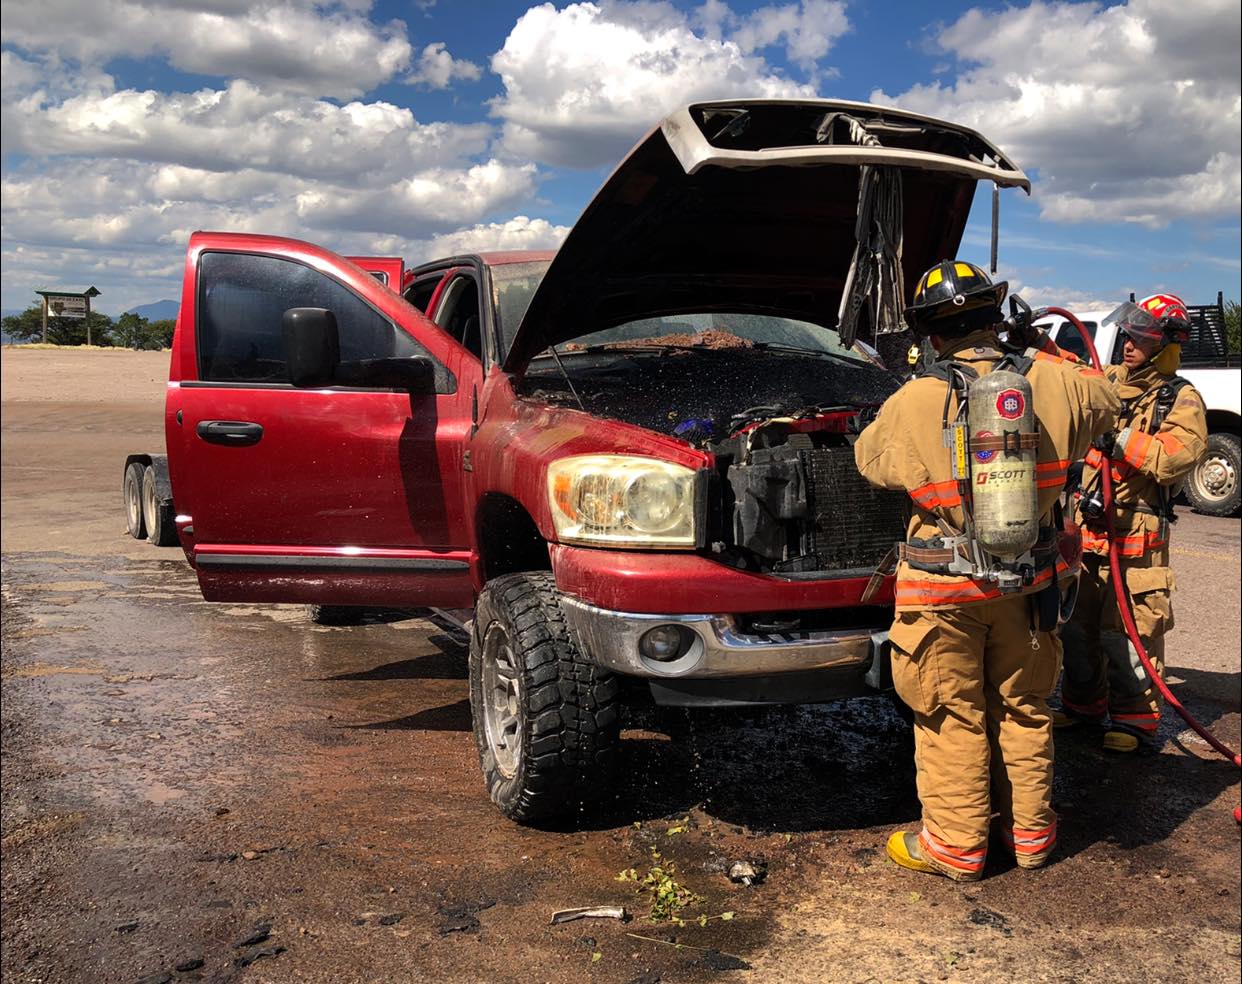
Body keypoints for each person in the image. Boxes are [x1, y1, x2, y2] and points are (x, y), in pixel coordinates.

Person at [854, 260, 1119, 880]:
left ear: (930, 334)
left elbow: (870, 460)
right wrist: (1043, 350)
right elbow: (1110, 401)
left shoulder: (913, 399)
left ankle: (955, 846)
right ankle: (1030, 837)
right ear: (998, 318)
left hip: (942, 593)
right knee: (1024, 706)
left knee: (951, 713)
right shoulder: (1057, 382)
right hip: (1028, 587)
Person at [1058, 294, 1208, 752]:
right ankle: (1083, 705)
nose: (1129, 343)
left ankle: (1135, 718)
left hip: (1136, 539)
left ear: (1166, 345)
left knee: (1126, 632)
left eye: (1142, 338)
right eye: (1129, 334)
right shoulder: (1108, 383)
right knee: (1076, 628)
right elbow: (1070, 371)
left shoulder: (1179, 398)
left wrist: (1121, 440)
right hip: (1090, 532)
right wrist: (1036, 345)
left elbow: (1174, 457)